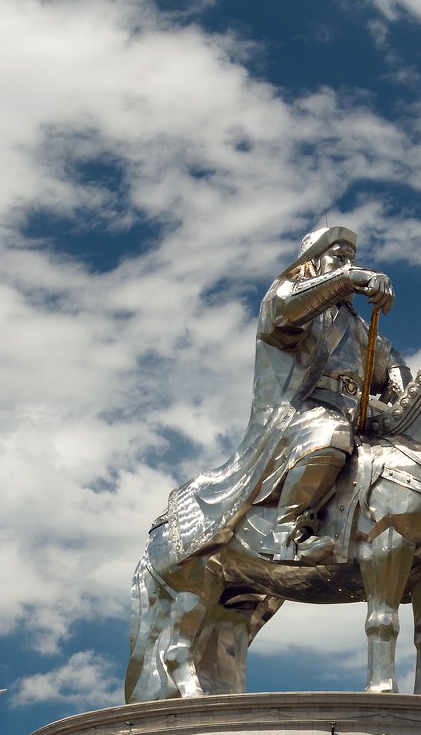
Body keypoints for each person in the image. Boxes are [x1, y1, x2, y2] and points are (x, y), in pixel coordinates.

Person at [157, 225, 405, 567]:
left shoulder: (357, 325)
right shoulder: (285, 296)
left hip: (355, 410)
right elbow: (287, 313)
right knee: (329, 433)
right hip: (301, 410)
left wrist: (402, 392)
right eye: (339, 257)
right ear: (313, 261)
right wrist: (348, 279)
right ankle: (288, 532)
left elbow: (389, 362)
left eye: (351, 259)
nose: (348, 264)